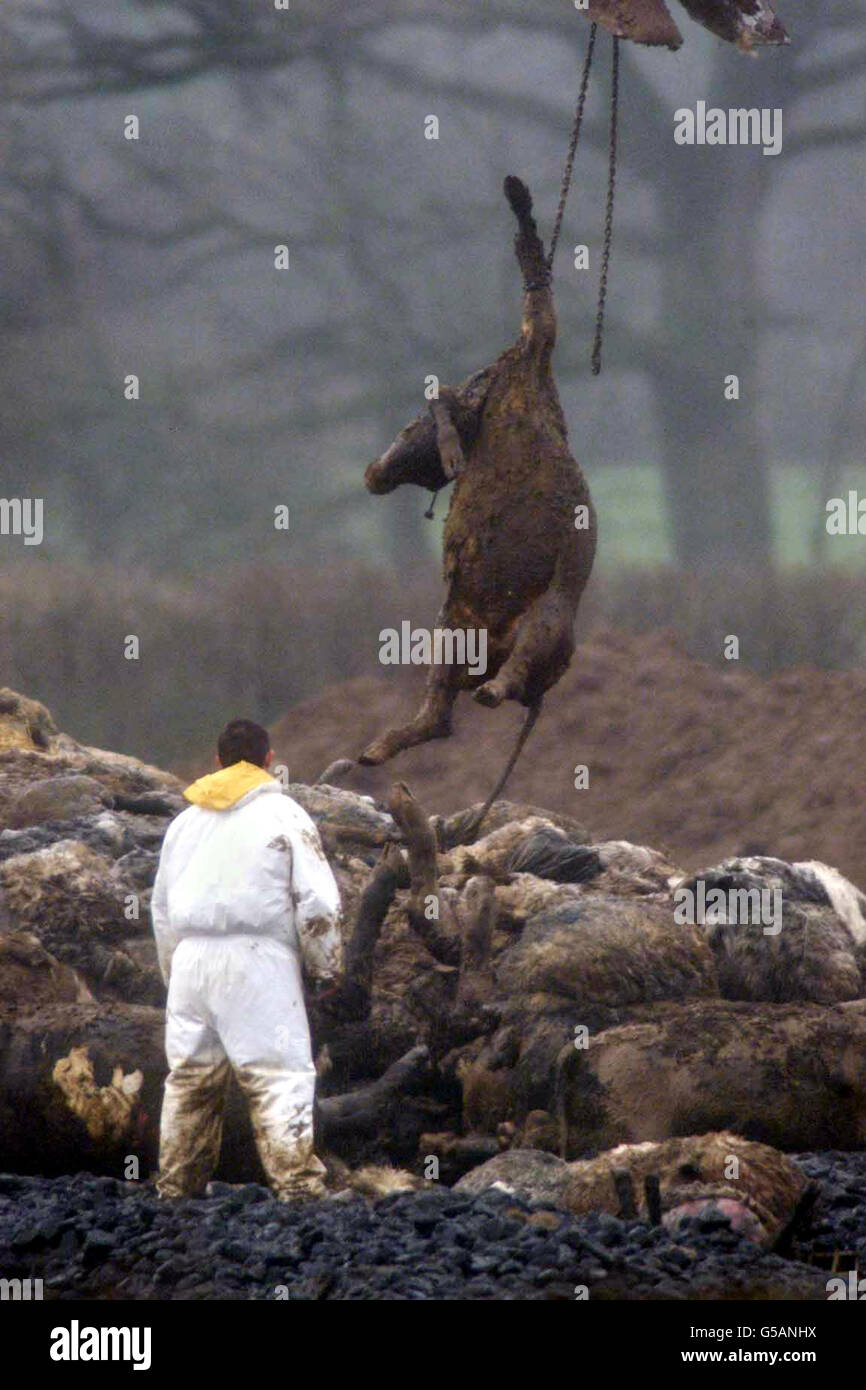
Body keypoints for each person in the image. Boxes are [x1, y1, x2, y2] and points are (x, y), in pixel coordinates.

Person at [150, 717, 342, 1201]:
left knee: (191, 1080)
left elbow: (161, 908)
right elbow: (318, 904)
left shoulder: (184, 823)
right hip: (258, 962)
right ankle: (298, 1189)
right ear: (269, 761)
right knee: (278, 1075)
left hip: (192, 963)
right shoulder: (286, 816)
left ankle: (177, 1189)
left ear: (217, 762)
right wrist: (325, 969)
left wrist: (173, 973)